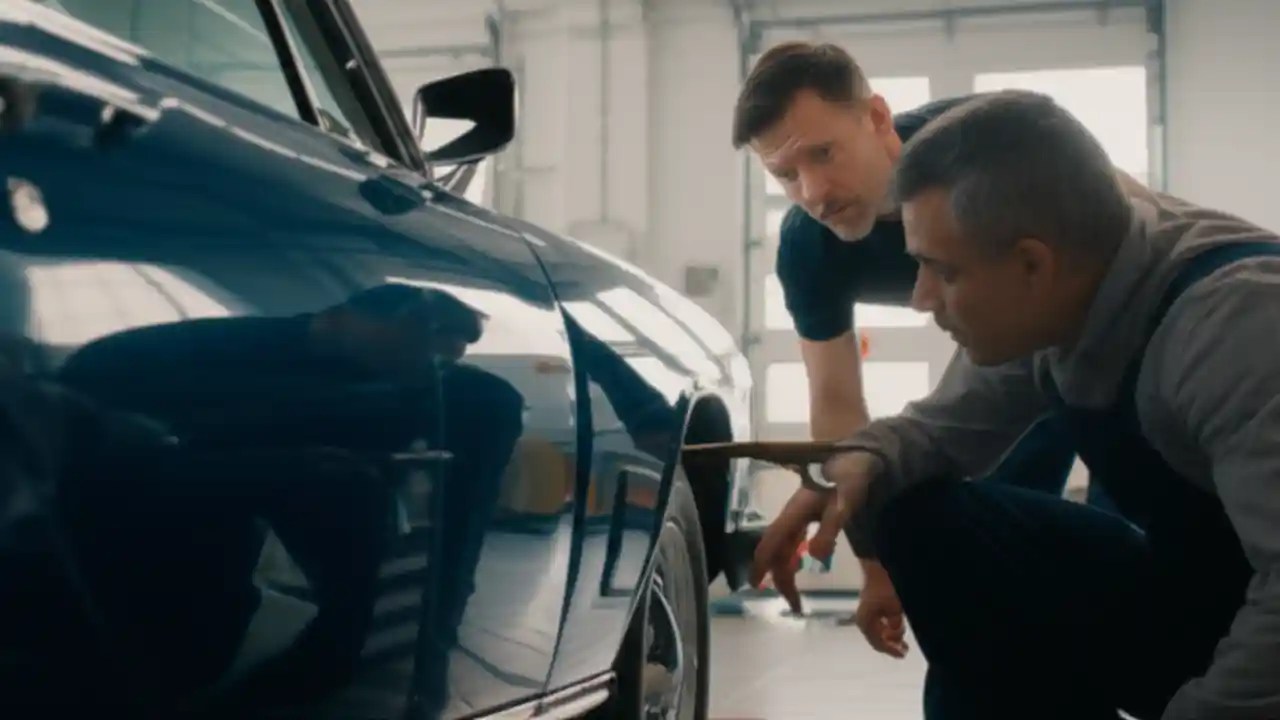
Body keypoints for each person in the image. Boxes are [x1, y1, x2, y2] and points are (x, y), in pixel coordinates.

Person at [751, 89, 1280, 720]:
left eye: (941, 272)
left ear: (1033, 262)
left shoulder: (1239, 331)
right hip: (1212, 596)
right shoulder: (1060, 299)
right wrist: (852, 469)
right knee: (919, 515)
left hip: (1258, 628)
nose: (920, 298)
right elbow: (932, 434)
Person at [731, 41, 1084, 645]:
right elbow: (838, 410)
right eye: (785, 175)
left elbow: (1121, 238)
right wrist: (877, 565)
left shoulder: (988, 150)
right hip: (1006, 345)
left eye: (823, 154)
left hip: (1082, 333)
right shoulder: (808, 247)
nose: (812, 192)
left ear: (876, 118)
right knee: (969, 554)